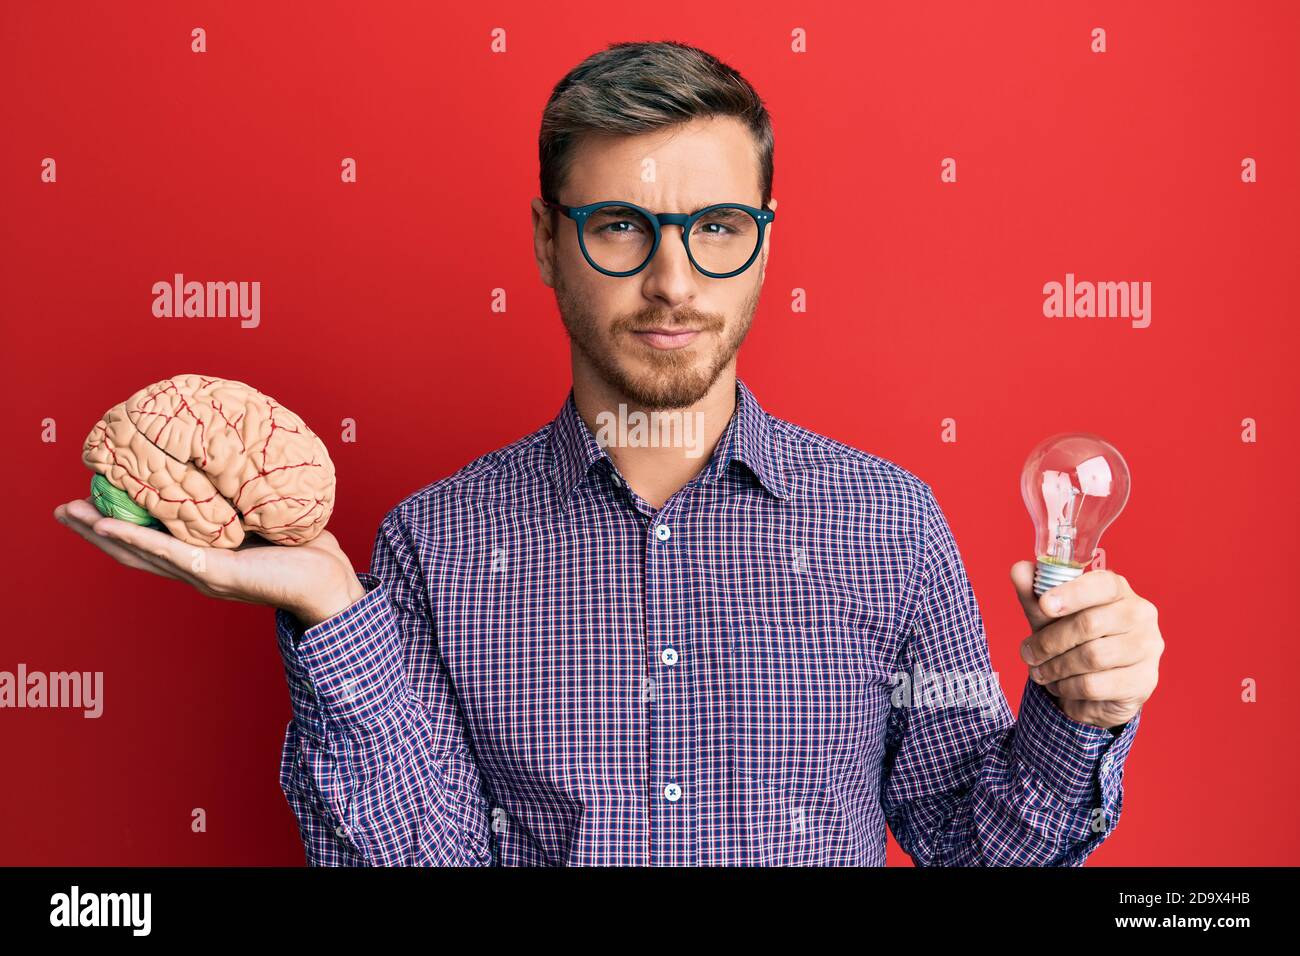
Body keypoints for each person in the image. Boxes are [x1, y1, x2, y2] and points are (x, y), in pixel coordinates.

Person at [53, 40, 1163, 866]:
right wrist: (336, 609)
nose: (674, 281)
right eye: (620, 226)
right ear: (546, 240)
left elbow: (979, 848)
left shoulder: (890, 524)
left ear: (766, 242)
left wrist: (1079, 715)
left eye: (716, 226)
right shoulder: (435, 543)